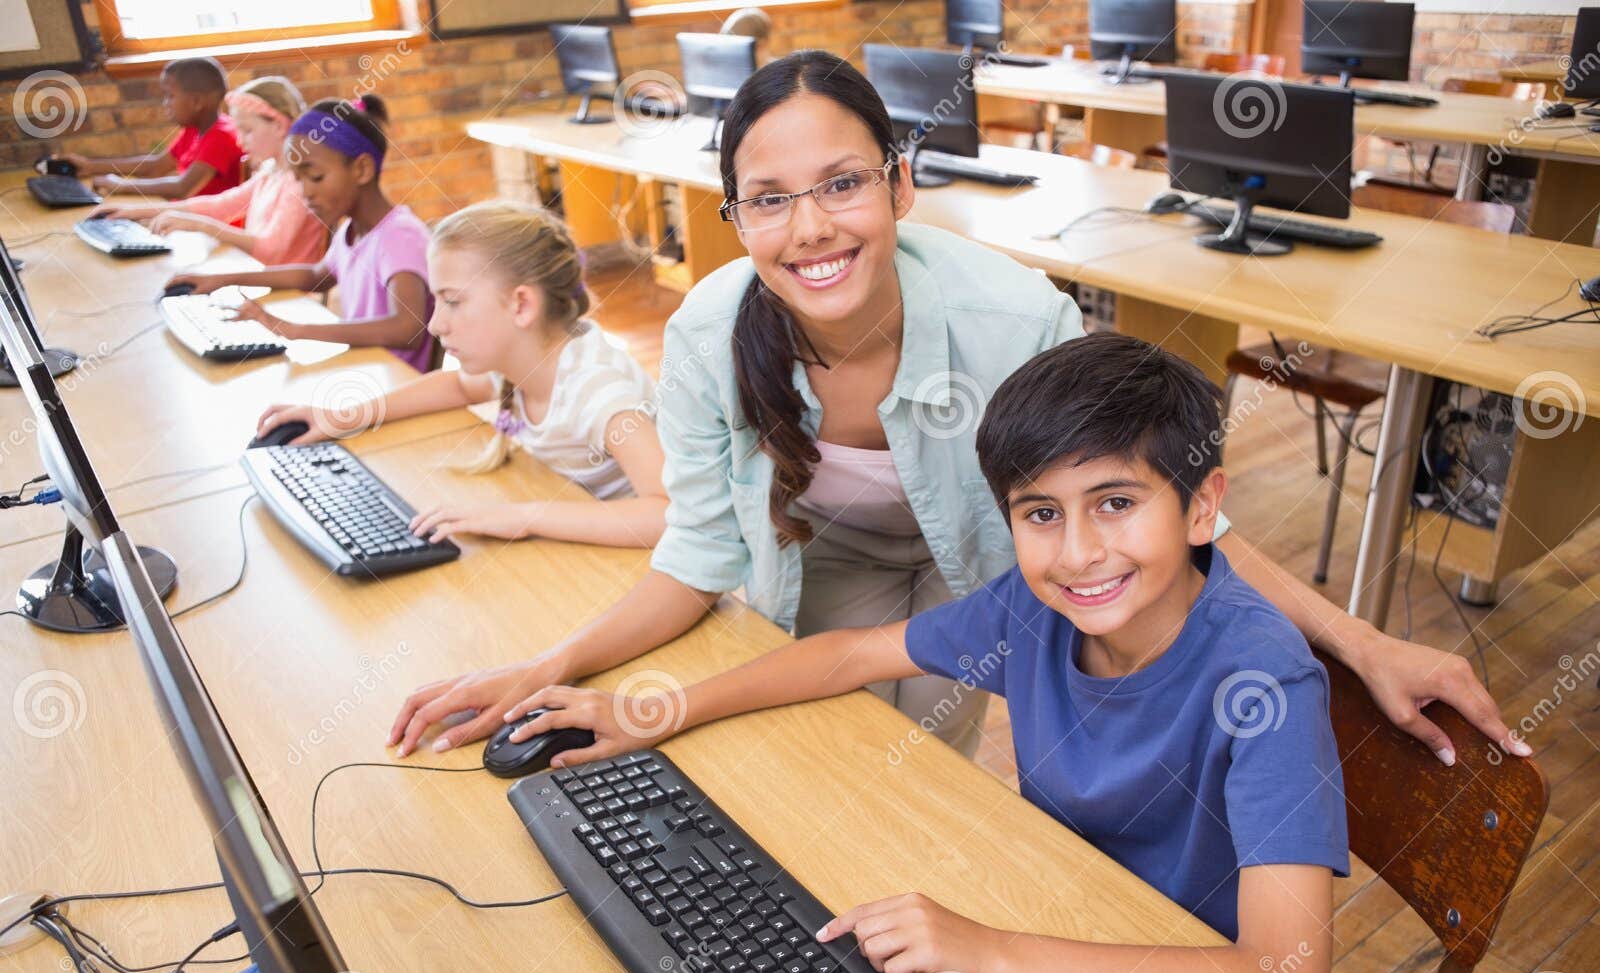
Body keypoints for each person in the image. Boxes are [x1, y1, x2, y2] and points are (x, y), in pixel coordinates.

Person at [388, 50, 1524, 772]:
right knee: (809, 755)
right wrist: (555, 667)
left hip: (979, 566)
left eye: (843, 183)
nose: (813, 228)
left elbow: (1167, 515)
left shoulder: (1008, 315)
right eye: (771, 201)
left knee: (915, 767)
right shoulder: (704, 336)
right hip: (824, 556)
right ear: (736, 219)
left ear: (898, 183)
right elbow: (694, 556)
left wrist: (1360, 640)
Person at [497, 333, 1349, 973]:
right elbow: (853, 655)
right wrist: (666, 709)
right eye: (1041, 513)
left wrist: (993, 953)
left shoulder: (1265, 681)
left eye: (1117, 502)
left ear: (1203, 509)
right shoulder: (1035, 605)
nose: (1081, 550)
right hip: (1060, 915)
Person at [255, 201, 668, 547]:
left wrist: (528, 517)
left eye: (452, 301)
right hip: (566, 534)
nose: (434, 325)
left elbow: (666, 514)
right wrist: (346, 414)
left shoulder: (601, 393)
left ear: (521, 305)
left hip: (621, 562)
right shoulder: (521, 355)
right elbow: (455, 385)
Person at [161, 96, 434, 372]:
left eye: (315, 177)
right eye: (298, 179)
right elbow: (316, 276)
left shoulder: (399, 236)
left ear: (362, 169)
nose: (305, 193)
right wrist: (223, 279)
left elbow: (406, 329)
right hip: (363, 369)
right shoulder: (353, 230)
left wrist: (294, 329)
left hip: (394, 382)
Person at [94, 76, 327, 266]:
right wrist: (136, 212)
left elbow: (271, 252)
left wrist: (199, 225)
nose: (240, 141)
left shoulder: (298, 183)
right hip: (260, 280)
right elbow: (221, 205)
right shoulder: (271, 172)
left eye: (247, 131)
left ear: (277, 126)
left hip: (289, 298)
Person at [56, 57, 242, 199]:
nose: (165, 103)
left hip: (213, 234)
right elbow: (156, 167)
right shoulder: (194, 130)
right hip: (187, 218)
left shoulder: (221, 136)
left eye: (170, 96)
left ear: (196, 101)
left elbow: (183, 188)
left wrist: (122, 185)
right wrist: (90, 166)